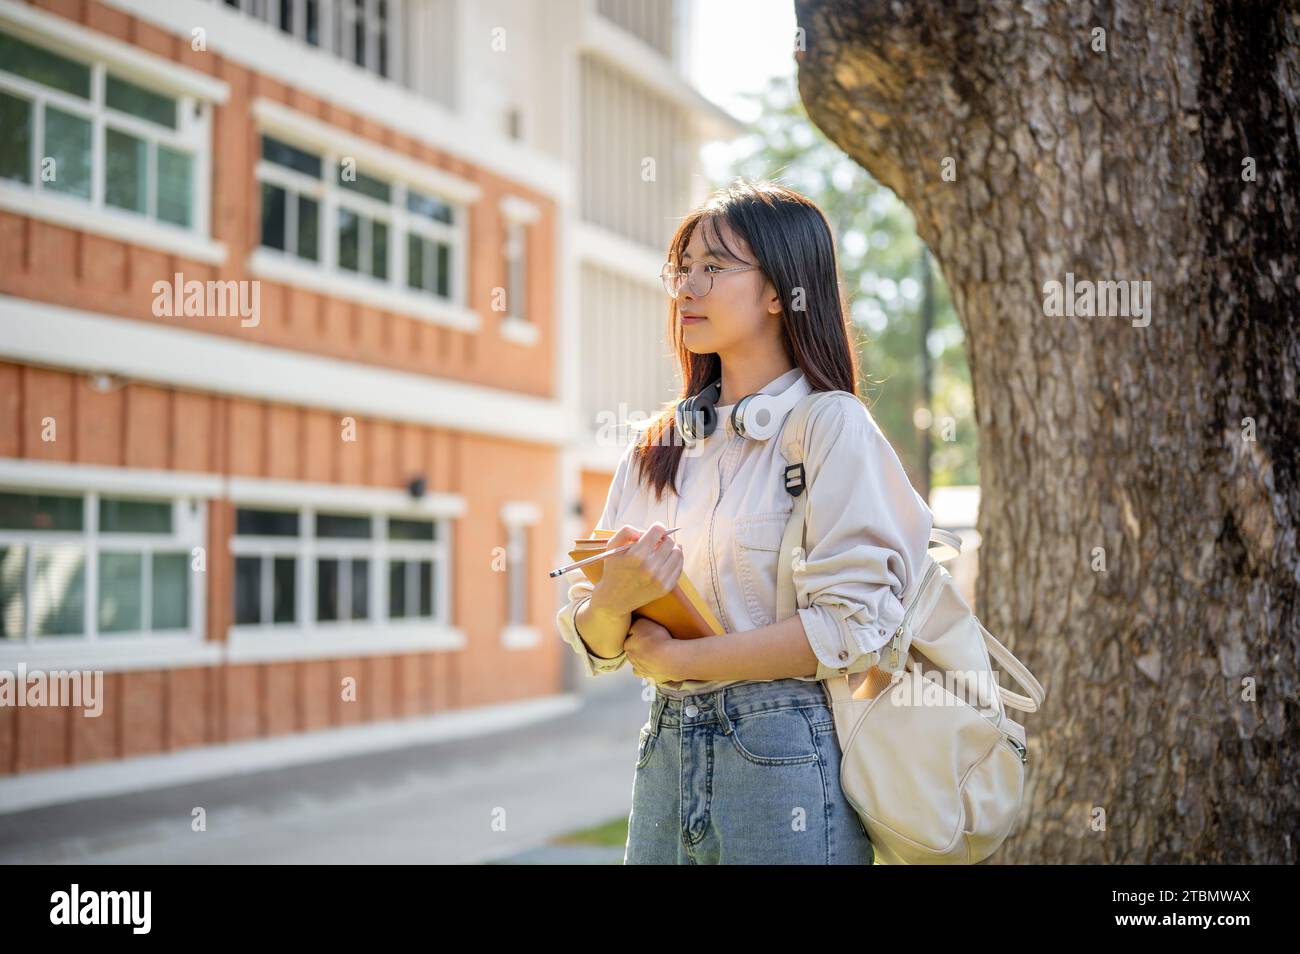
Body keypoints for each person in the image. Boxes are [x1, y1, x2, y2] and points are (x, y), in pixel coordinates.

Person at [555, 178, 935, 864]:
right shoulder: (657, 444)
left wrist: (685, 659)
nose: (687, 288)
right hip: (665, 753)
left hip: (783, 755)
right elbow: (597, 642)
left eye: (714, 267)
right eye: (682, 268)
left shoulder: (830, 427)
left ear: (779, 291)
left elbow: (852, 624)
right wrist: (611, 599)